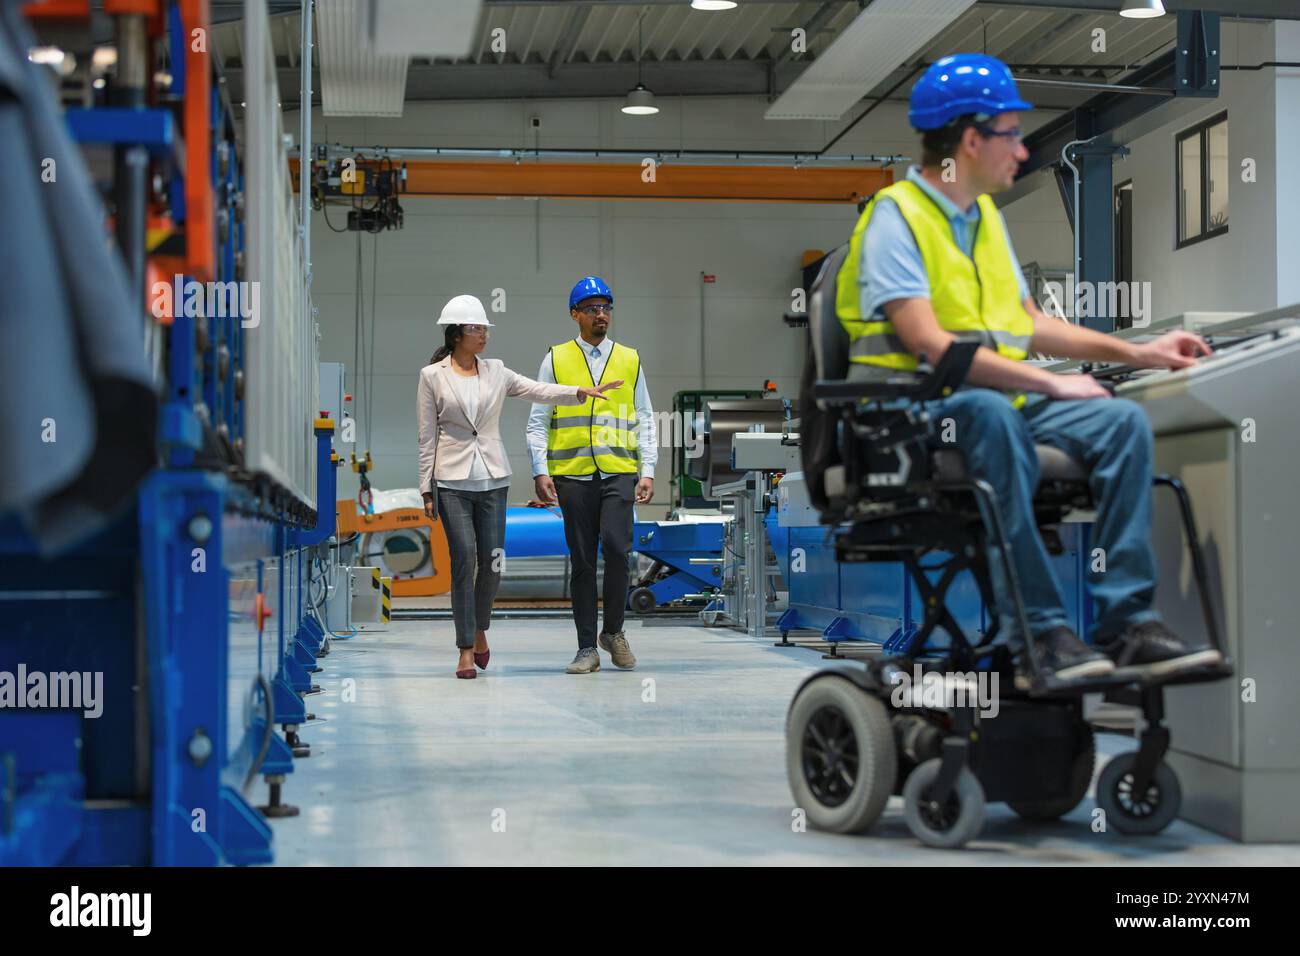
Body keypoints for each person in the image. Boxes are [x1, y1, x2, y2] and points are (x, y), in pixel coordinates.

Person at [838, 53, 1224, 687]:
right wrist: (1049, 381)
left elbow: (1030, 324)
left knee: (1120, 421)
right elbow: (930, 344)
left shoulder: (985, 219)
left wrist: (1141, 351)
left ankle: (1126, 623)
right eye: (1011, 134)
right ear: (970, 140)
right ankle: (1040, 632)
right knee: (992, 416)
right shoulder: (894, 218)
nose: (1021, 150)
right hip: (907, 413)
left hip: (988, 399)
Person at [418, 294, 621, 679]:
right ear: (457, 333)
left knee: (492, 561)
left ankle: (480, 630)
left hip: (493, 478)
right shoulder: (432, 376)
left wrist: (579, 393)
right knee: (463, 559)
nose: (484, 335)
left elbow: (535, 390)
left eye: (485, 329)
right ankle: (464, 649)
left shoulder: (496, 371)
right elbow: (426, 436)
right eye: (477, 329)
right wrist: (425, 488)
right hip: (451, 479)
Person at [526, 277, 657, 675]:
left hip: (618, 471)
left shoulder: (630, 359)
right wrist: (540, 470)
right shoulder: (556, 358)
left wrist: (647, 469)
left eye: (606, 308)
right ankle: (587, 648)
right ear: (575, 314)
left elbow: (645, 418)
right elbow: (538, 420)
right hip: (573, 475)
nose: (601, 314)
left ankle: (613, 632)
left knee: (618, 550)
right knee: (582, 561)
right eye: (592, 308)